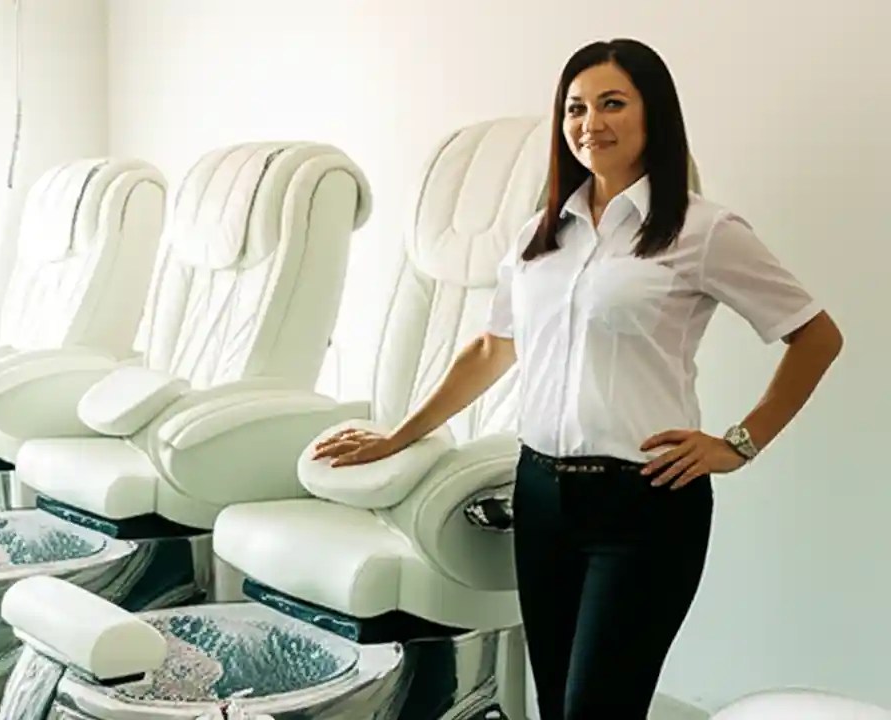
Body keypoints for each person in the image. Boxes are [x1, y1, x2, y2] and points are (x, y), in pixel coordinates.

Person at [310, 38, 844, 719]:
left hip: (645, 507)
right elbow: (490, 349)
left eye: (613, 103)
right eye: (576, 107)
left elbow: (815, 335)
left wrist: (738, 443)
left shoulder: (700, 230)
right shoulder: (541, 233)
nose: (591, 121)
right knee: (558, 705)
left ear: (656, 116)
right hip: (540, 498)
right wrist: (397, 435)